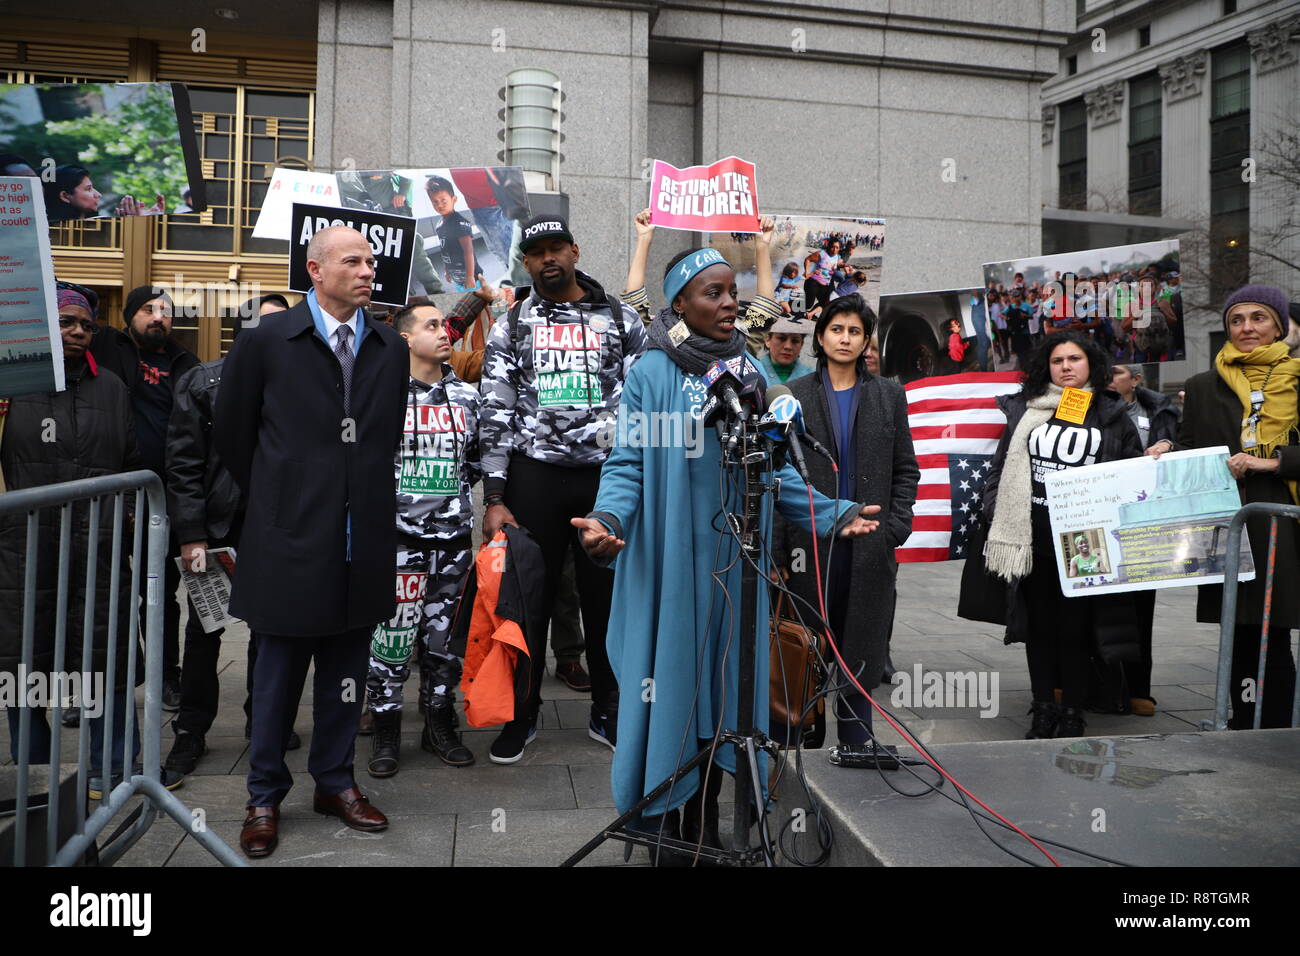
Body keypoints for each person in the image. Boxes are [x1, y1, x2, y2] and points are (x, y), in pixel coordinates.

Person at [574, 231, 882, 858]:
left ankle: (711, 826)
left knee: (729, 703)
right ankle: (665, 831)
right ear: (679, 304)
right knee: (670, 695)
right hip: (668, 570)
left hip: (736, 572)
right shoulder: (650, 372)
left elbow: (778, 470)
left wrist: (833, 513)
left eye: (732, 291)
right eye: (712, 293)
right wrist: (608, 518)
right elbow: (627, 461)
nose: (728, 302)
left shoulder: (749, 368)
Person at [215, 226, 409, 859]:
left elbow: (383, 439)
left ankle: (335, 782)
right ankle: (264, 796)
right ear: (314, 269)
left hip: (363, 541)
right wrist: (285, 496)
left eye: (371, 260)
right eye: (352, 260)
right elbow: (234, 436)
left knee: (345, 677)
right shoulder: (270, 339)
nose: (366, 270)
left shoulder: (387, 345)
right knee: (275, 680)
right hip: (289, 540)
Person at [477, 214, 647, 763]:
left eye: (556, 248)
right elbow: (496, 410)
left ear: (575, 250)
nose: (548, 259)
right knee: (528, 599)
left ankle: (609, 708)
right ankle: (522, 716)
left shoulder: (621, 318)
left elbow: (642, 400)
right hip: (535, 476)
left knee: (607, 600)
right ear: (525, 262)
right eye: (536, 252)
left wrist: (641, 476)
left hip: (607, 477)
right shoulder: (512, 322)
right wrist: (496, 498)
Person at [0, 288, 182, 796]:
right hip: (25, 552)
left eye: (84, 324)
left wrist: (123, 520)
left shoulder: (114, 390)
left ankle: (114, 770)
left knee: (108, 659)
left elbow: (128, 464)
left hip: (99, 552)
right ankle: (34, 778)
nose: (77, 331)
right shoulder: (11, 385)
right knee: (26, 664)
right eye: (64, 322)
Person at [977, 331, 1142, 738]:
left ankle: (1072, 712)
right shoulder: (1026, 409)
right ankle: (1043, 709)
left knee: (1076, 630)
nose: (1066, 366)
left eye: (1074, 359)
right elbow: (999, 468)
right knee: (1039, 629)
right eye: (1057, 360)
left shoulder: (1111, 413)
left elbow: (1131, 468)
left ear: (1092, 365)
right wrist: (998, 508)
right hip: (1032, 539)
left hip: (1086, 541)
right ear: (1045, 367)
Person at [775, 295, 919, 759]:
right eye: (837, 329)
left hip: (871, 545)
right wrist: (778, 555)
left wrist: (895, 527)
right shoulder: (793, 395)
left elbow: (906, 470)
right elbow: (777, 476)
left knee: (861, 648)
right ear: (820, 337)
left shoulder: (888, 394)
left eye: (855, 331)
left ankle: (857, 743)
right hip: (809, 547)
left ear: (865, 341)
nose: (845, 338)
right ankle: (797, 745)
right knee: (804, 647)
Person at [163, 293, 299, 777]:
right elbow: (183, 465)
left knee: (272, 632)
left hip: (278, 530)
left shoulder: (303, 382)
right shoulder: (203, 380)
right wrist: (192, 534)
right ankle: (191, 732)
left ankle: (264, 723)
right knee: (205, 631)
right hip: (218, 530)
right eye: (262, 323)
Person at [1152, 285, 1298, 729]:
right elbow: (1192, 446)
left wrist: (1272, 462)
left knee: (1273, 632)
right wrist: (1166, 446)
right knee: (1238, 628)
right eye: (1237, 319)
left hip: (1283, 524)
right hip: (1226, 523)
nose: (1247, 327)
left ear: (1278, 324)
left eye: (1258, 317)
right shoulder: (1201, 385)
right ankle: (1240, 718)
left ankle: (1270, 723)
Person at [364, 298, 481, 776]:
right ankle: (387, 729)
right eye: (432, 325)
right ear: (405, 338)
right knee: (391, 640)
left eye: (444, 325)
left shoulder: (470, 399)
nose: (444, 332)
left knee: (445, 643)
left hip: (452, 545)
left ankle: (439, 723)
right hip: (397, 545)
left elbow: (474, 463)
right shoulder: (380, 396)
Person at [91, 286, 201, 711]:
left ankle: (166, 675)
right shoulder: (104, 345)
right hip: (112, 494)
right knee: (106, 593)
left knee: (160, 594)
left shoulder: (185, 363)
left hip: (166, 499)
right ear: (129, 315)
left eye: (166, 312)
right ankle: (106, 682)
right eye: (148, 310)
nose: (159, 318)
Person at [426, 175, 482, 292]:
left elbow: (468, 251)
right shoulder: (439, 225)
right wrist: (447, 270)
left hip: (472, 279)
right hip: (458, 278)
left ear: (454, 199)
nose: (439, 205)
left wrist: (470, 277)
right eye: (435, 202)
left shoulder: (460, 223)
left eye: (443, 200)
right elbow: (445, 251)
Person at [758, 317, 816, 385]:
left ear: (801, 345)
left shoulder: (813, 378)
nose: (788, 346)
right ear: (768, 341)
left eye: (795, 341)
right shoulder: (753, 370)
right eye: (781, 338)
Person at [802, 238, 840, 319]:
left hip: (826, 284)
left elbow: (834, 267)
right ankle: (796, 305)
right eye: (833, 247)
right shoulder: (821, 254)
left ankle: (811, 313)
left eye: (837, 247)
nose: (834, 249)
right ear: (829, 246)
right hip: (813, 282)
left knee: (828, 301)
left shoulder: (837, 257)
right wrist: (806, 271)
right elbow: (808, 259)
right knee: (808, 304)